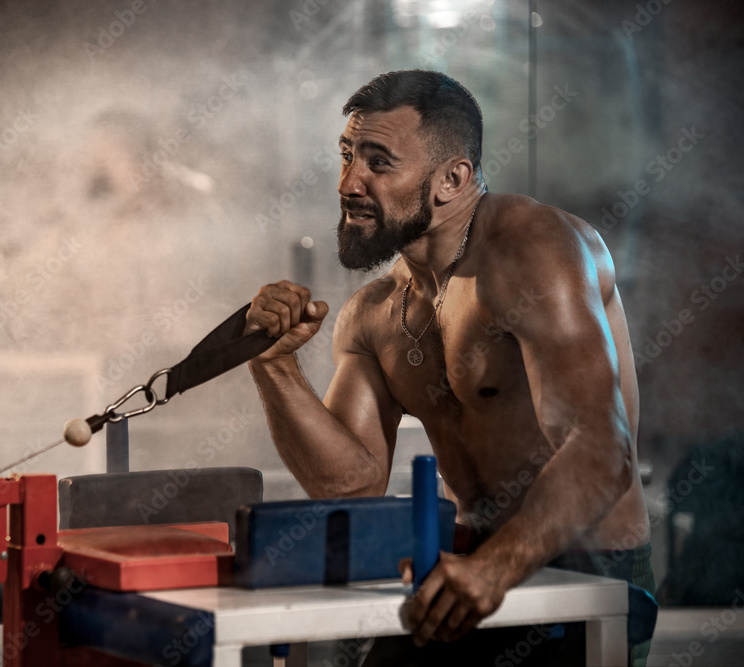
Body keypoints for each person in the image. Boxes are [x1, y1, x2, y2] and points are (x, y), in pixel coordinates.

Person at [243, 70, 654, 665]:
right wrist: (275, 366)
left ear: (452, 179)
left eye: (378, 163)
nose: (349, 182)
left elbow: (602, 450)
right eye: (347, 155)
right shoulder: (374, 313)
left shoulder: (532, 249)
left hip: (586, 569)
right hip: (465, 561)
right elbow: (351, 484)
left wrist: (494, 570)